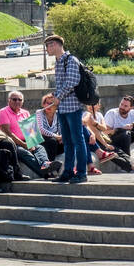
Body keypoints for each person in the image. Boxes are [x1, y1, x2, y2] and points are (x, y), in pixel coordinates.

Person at [44, 35, 89, 184]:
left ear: (56, 45)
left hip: (73, 106)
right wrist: (56, 96)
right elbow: (62, 84)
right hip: (62, 108)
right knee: (68, 142)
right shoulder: (58, 62)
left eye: (49, 45)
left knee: (78, 140)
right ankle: (68, 172)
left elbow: (72, 81)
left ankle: (82, 173)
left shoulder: (70, 60)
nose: (47, 49)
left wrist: (59, 96)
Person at [0, 91, 60, 179]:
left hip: (26, 141)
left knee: (40, 148)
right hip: (12, 144)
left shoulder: (25, 112)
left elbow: (31, 132)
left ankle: (46, 165)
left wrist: (32, 143)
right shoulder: (3, 112)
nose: (17, 102)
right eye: (14, 99)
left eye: (19, 100)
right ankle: (46, 173)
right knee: (25, 153)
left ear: (22, 101)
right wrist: (23, 144)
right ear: (9, 100)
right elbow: (8, 132)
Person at [34, 93, 64, 163]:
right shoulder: (39, 112)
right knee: (52, 141)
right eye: (47, 103)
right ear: (44, 104)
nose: (48, 106)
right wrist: (56, 136)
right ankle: (50, 164)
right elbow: (41, 130)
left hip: (54, 138)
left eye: (52, 103)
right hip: (41, 139)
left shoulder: (58, 114)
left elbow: (60, 128)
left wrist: (61, 137)